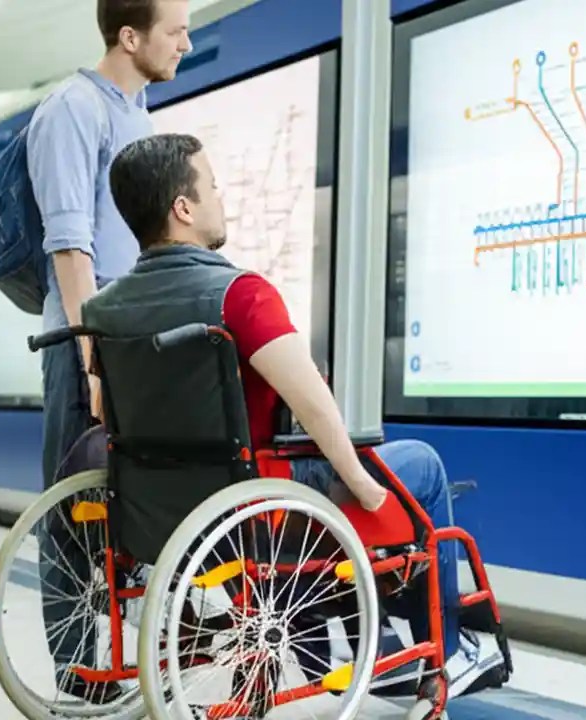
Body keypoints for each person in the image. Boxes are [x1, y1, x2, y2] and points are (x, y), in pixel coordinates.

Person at [98, 132, 508, 698]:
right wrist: (363, 484)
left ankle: (350, 646)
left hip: (159, 515)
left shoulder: (104, 308)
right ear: (184, 208)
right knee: (420, 464)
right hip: (259, 507)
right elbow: (312, 399)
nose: (221, 198)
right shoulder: (239, 295)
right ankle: (449, 652)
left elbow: (108, 415)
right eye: (212, 187)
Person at [29, 0, 192, 701]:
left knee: (131, 504)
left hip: (134, 343)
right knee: (72, 509)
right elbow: (71, 246)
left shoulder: (137, 115)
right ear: (130, 36)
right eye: (176, 30)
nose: (187, 43)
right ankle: (77, 679)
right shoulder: (73, 109)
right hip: (85, 343)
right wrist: (91, 357)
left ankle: (131, 660)